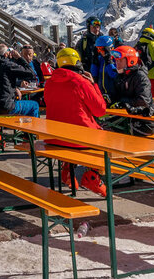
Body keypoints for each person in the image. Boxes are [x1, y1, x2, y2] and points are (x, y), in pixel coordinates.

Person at [43, 47, 108, 195]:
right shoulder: (81, 82)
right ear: (77, 63)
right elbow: (100, 110)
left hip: (54, 138)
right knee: (106, 138)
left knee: (69, 130)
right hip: (80, 139)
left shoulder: (49, 83)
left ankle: (67, 169)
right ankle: (92, 176)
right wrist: (93, 85)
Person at [109, 46, 154, 136]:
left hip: (144, 122)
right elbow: (114, 95)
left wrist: (122, 102)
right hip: (125, 119)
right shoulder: (120, 76)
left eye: (120, 61)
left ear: (130, 60)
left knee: (109, 131)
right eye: (116, 61)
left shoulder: (140, 77)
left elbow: (143, 101)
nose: (117, 64)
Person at [0, 43, 39, 117]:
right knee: (34, 105)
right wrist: (20, 58)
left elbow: (4, 82)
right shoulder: (8, 65)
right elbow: (31, 73)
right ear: (6, 54)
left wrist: (15, 88)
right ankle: (31, 124)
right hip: (6, 107)